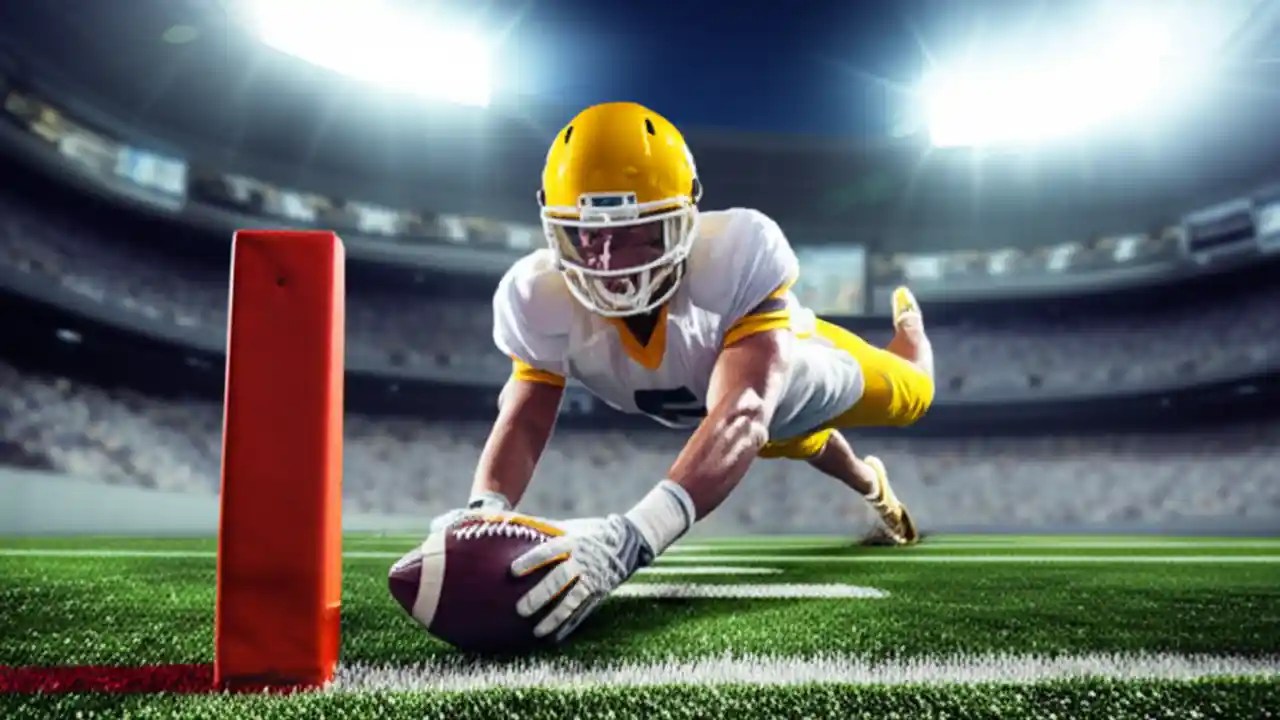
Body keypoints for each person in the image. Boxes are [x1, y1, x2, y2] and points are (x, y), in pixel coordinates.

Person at [431, 101, 935, 643]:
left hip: (782, 385)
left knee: (914, 393)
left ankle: (911, 333)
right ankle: (874, 487)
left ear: (684, 219)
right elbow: (526, 413)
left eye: (632, 231)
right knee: (806, 445)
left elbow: (742, 413)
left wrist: (631, 538)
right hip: (731, 432)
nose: (606, 262)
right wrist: (485, 509)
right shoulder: (536, 296)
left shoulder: (736, 254)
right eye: (586, 234)